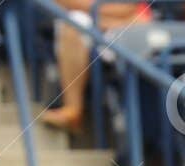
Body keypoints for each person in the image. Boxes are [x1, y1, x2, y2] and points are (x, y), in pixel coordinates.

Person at [41, 1, 150, 135]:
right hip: (99, 26)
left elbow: (127, 6)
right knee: (75, 22)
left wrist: (95, 13)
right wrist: (106, 16)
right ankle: (72, 109)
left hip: (134, 30)